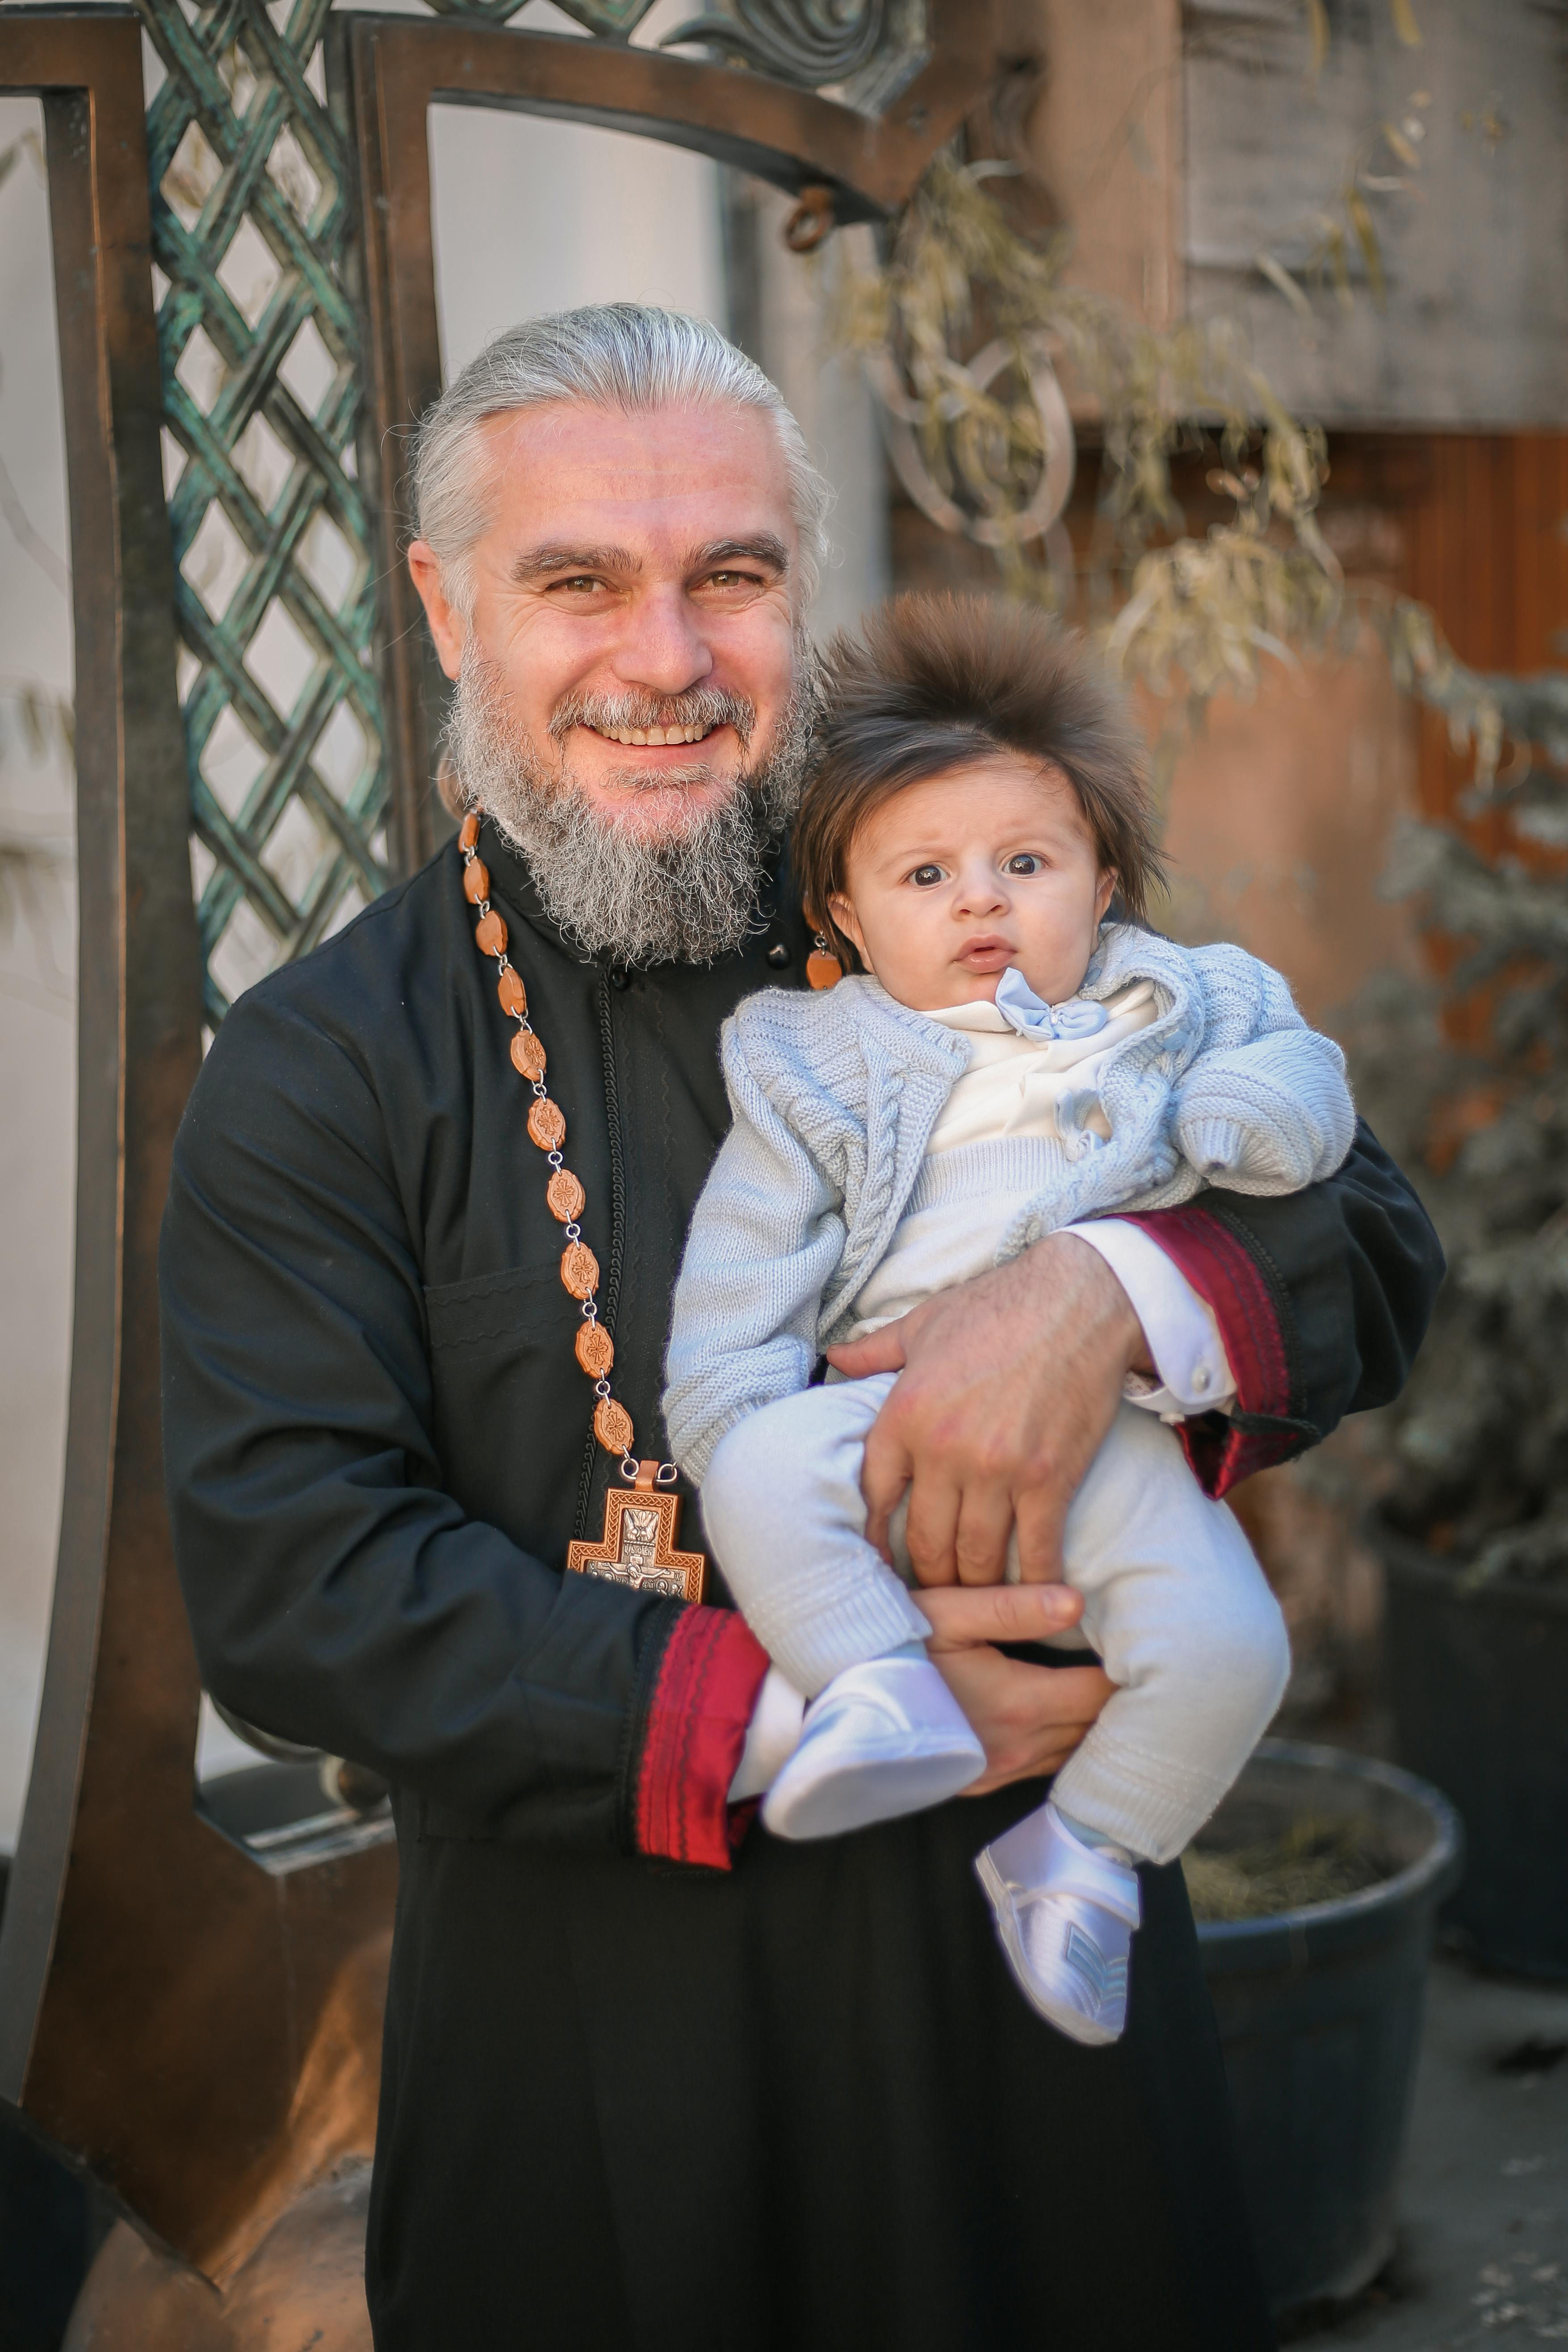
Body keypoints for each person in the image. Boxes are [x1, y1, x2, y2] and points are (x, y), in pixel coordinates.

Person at [159, 304, 1443, 2352]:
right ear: (448, 607)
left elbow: (1364, 1240)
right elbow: (293, 1583)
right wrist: (802, 1706)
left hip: (1028, 2014)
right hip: (591, 2045)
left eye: (730, 577)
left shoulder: (950, 890)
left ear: (798, 599)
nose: (665, 658)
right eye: (579, 582)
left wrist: (1095, 1297)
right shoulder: (325, 1067)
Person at [665, 593, 1353, 2045]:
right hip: (884, 1418)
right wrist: (744, 1429)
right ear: (846, 917)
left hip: (1113, 1436)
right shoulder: (815, 1062)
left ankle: (1086, 1854)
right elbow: (740, 1279)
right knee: (755, 1465)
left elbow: (1308, 1077)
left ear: (1102, 883)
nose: (980, 902)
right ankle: (876, 1684)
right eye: (925, 874)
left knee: (1237, 1646)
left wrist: (1243, 1112)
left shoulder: (1177, 1000)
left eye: (1024, 862)